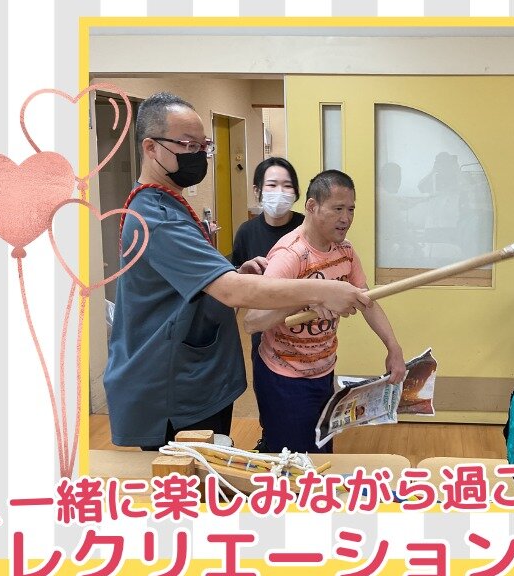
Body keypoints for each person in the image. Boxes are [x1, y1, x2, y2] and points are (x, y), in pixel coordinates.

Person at [104, 93, 371, 450]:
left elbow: (200, 281)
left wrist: (232, 271)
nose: (199, 155)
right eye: (188, 145)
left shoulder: (170, 203)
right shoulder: (157, 217)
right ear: (151, 148)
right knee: (193, 474)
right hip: (175, 385)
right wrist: (322, 290)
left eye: (204, 146)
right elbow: (234, 295)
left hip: (204, 374)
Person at [243, 170, 406, 453]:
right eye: (338, 209)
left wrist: (393, 347)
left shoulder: (345, 252)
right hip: (284, 378)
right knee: (293, 462)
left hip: (323, 371)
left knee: (320, 453)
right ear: (312, 206)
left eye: (351, 209)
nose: (346, 218)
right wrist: (309, 295)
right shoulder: (290, 255)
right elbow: (252, 321)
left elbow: (367, 301)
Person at [231, 157, 305, 451]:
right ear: (257, 190)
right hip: (264, 333)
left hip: (306, 332)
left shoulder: (306, 227)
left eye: (287, 186)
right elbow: (234, 285)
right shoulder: (247, 232)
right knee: (269, 396)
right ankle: (270, 442)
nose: (280, 192)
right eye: (272, 185)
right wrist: (242, 272)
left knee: (307, 400)